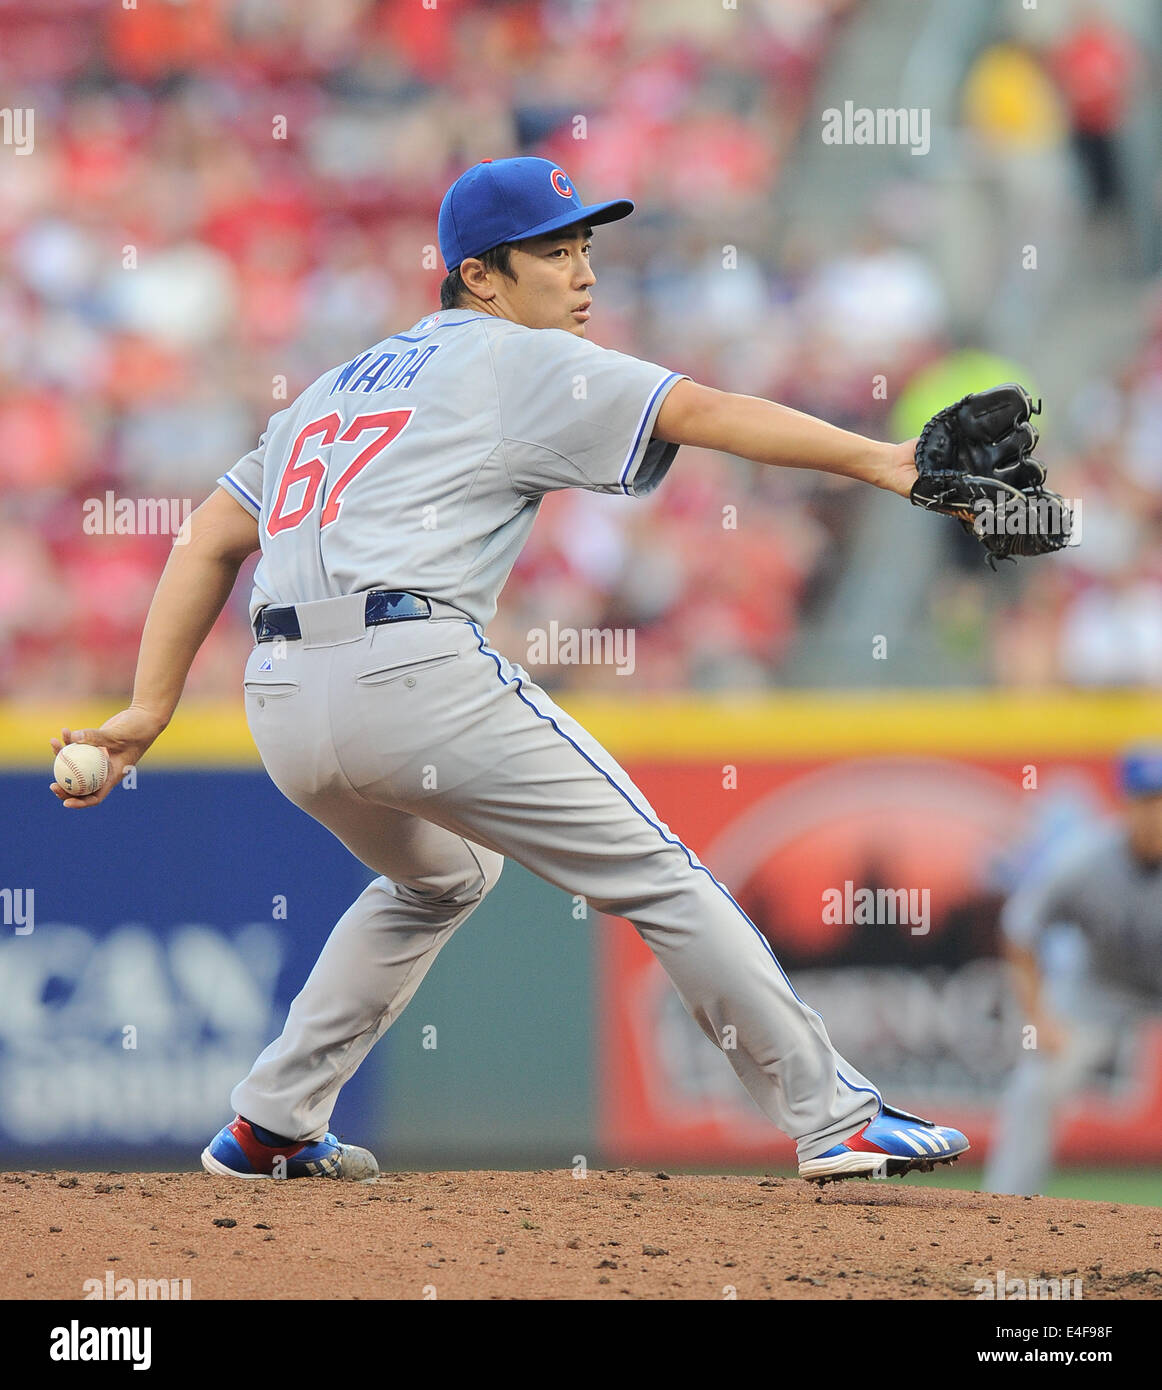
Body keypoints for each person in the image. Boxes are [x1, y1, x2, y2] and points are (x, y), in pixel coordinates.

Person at [50, 156, 968, 1185]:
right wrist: (886, 461)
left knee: (441, 873)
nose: (581, 273)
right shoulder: (514, 357)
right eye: (552, 251)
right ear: (479, 276)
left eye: (584, 247)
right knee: (656, 867)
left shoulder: (330, 387)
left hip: (283, 703)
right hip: (409, 670)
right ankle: (834, 1115)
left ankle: (270, 1123)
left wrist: (148, 706)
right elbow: (702, 411)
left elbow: (211, 535)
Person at [985, 749, 1162, 1196]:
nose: (1156, 812)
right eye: (1148, 799)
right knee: (1035, 1086)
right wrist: (1039, 1018)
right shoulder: (1085, 859)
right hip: (1100, 992)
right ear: (1127, 804)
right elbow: (1020, 928)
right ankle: (1004, 1211)